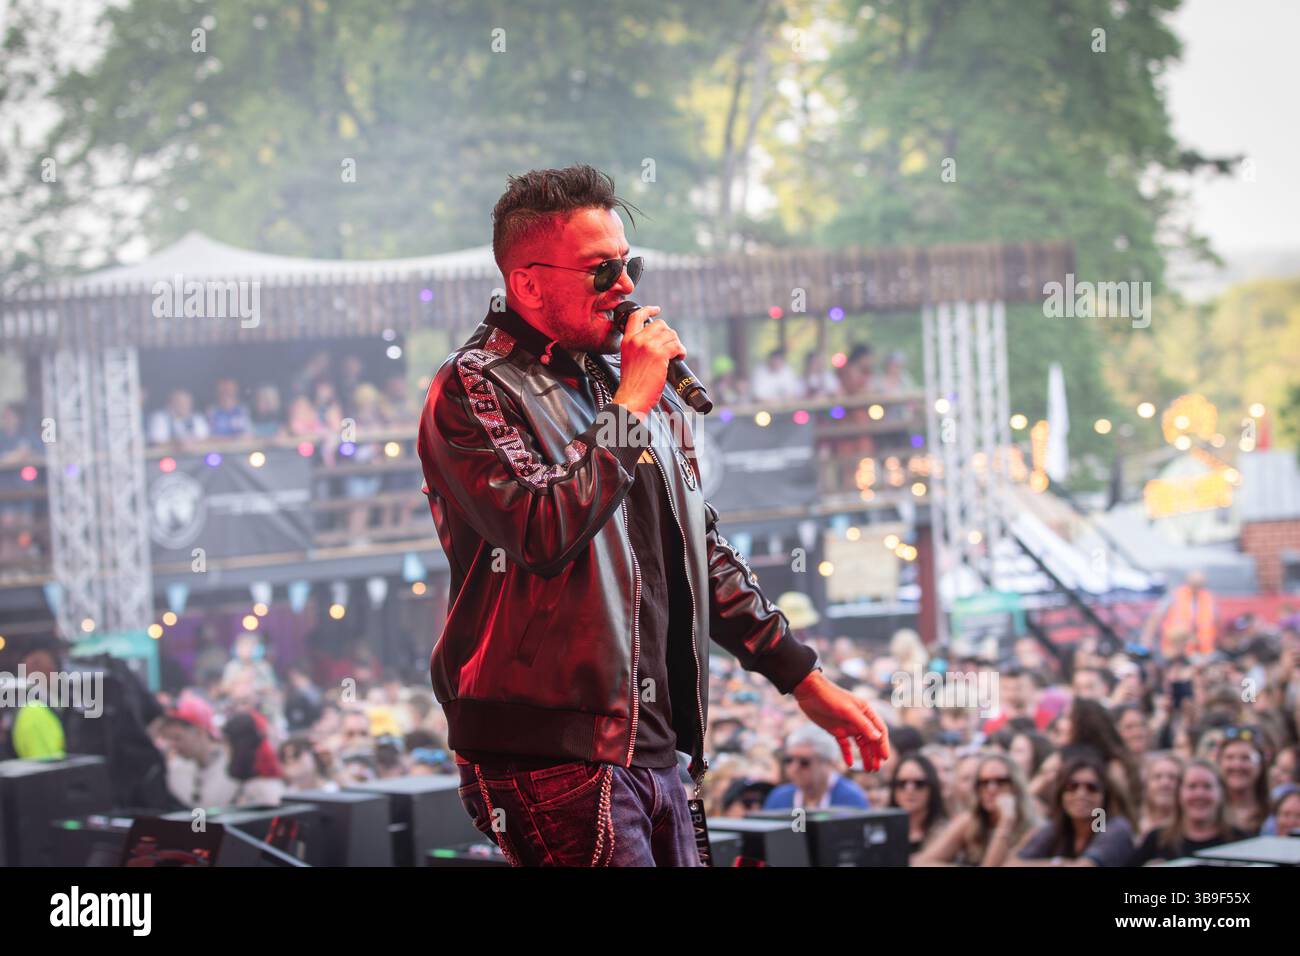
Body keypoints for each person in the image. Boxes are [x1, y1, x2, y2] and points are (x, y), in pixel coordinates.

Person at [416, 164, 888, 867]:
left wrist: (803, 678)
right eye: (602, 271)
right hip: (548, 748)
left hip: (656, 742)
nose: (627, 287)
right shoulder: (477, 384)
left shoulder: (620, 386)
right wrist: (632, 404)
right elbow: (541, 528)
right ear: (529, 283)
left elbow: (702, 552)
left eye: (627, 265)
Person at [1011, 754, 1135, 866]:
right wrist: (1057, 862)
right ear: (1061, 794)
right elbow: (1012, 865)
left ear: (1105, 795)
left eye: (1092, 787)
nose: (1081, 794)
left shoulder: (1114, 828)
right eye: (1072, 786)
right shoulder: (1057, 828)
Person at [915, 752, 1037, 867]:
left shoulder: (1032, 829)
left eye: (1000, 782)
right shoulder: (970, 822)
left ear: (1015, 786)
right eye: (984, 782)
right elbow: (922, 862)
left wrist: (1005, 822)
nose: (991, 789)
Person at [1131, 759, 1247, 865]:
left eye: (1207, 787)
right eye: (1192, 787)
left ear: (1221, 793)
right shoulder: (1156, 839)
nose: (1199, 794)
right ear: (1179, 793)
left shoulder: (1241, 841)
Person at [763, 723, 871, 811]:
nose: (794, 768)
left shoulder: (850, 798)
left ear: (828, 763)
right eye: (789, 760)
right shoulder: (779, 797)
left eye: (804, 762)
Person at [889, 753, 947, 860]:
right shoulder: (881, 829)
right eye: (902, 783)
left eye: (919, 784)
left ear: (932, 788)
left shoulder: (946, 832)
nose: (909, 789)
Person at [1217, 726, 1269, 834]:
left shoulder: (1275, 812)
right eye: (1229, 757)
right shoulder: (1210, 811)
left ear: (1261, 765)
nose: (1237, 765)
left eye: (1245, 758)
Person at [1140, 751, 1184, 836]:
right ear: (1146, 784)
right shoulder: (1133, 825)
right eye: (1157, 777)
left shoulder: (1190, 831)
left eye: (1172, 777)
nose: (1165, 783)